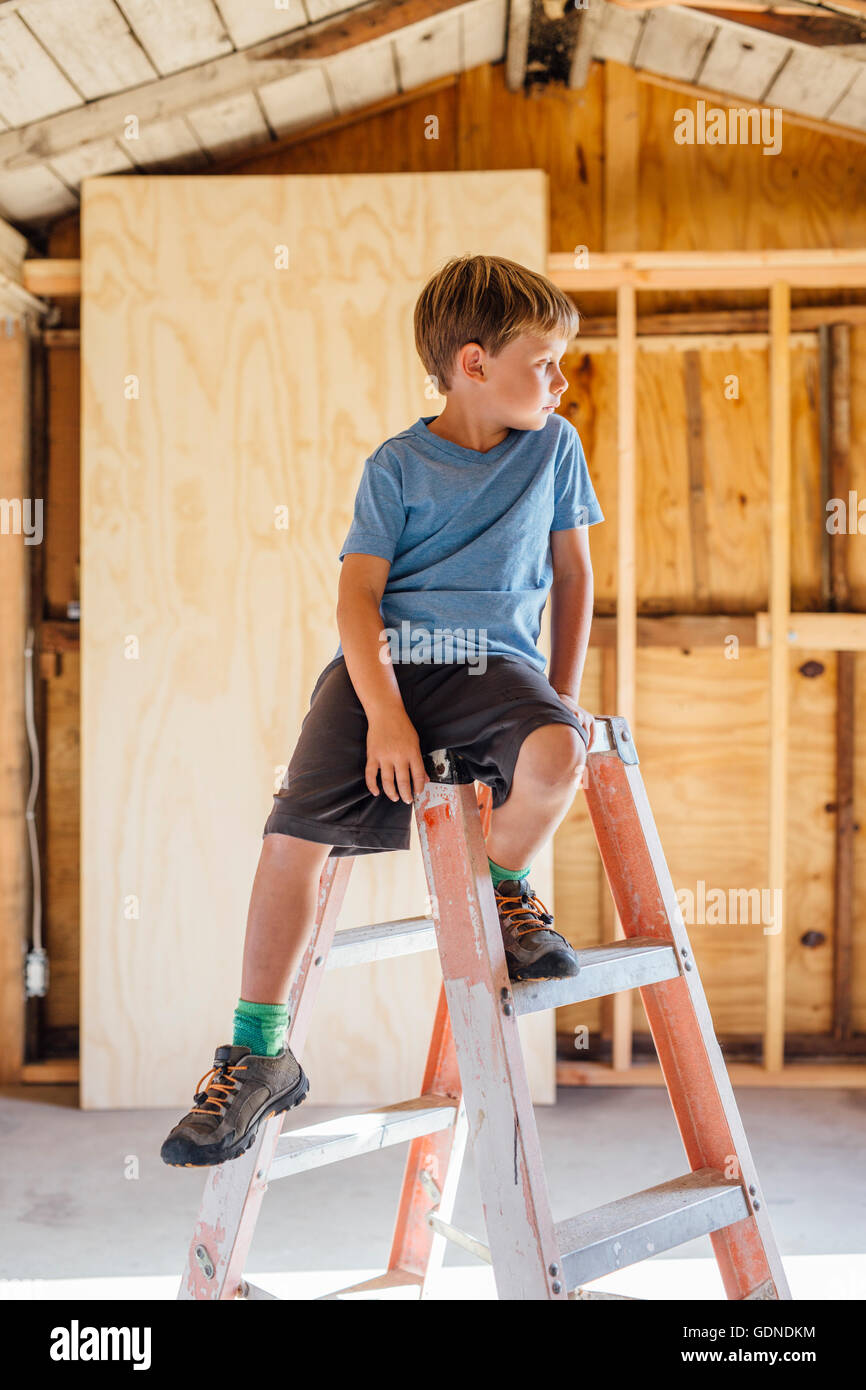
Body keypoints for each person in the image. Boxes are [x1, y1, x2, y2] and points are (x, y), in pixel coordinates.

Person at [161, 253, 604, 1168]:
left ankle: (507, 889)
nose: (561, 378)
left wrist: (559, 695)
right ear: (475, 364)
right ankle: (257, 1049)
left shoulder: (555, 448)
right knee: (291, 840)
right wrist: (388, 716)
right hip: (388, 667)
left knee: (561, 755)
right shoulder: (397, 465)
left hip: (495, 666)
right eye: (546, 359)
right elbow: (357, 600)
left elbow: (573, 576)